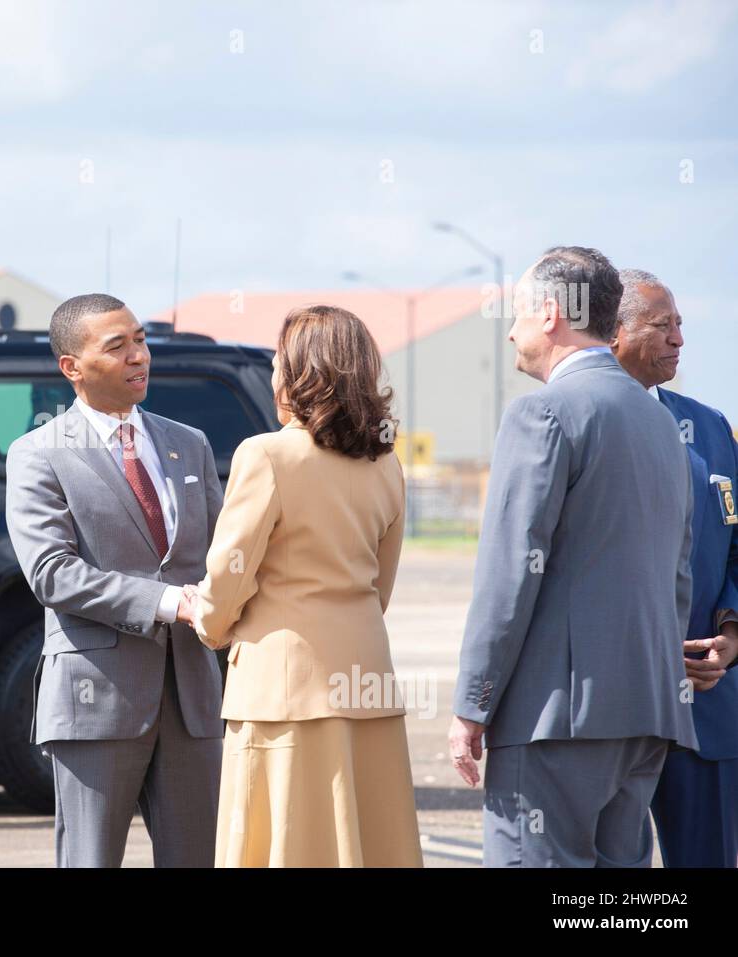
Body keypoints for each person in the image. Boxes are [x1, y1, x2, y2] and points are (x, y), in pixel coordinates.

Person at [450, 246, 697, 867]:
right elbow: (677, 578)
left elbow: (509, 574)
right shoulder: (660, 421)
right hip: (646, 711)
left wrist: (472, 705)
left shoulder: (544, 411)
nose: (511, 329)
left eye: (518, 313)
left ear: (553, 313)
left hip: (555, 718)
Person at [192, 305, 422, 867]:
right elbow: (380, 586)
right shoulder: (386, 463)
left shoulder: (267, 454)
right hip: (365, 676)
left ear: (298, 371)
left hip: (283, 686)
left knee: (286, 843)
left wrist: (211, 625)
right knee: (364, 841)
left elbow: (229, 571)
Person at [5, 293, 225, 868]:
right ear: (71, 367)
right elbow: (52, 574)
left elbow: (225, 553)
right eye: (118, 346)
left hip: (192, 699)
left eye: (141, 340)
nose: (139, 357)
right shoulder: (39, 455)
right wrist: (168, 601)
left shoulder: (189, 444)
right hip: (95, 697)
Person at [610, 269, 738, 867]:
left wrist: (732, 636)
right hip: (614, 710)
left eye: (680, 325)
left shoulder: (710, 428)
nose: (679, 340)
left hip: (707, 705)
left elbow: (735, 547)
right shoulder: (580, 424)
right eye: (662, 326)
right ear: (614, 332)